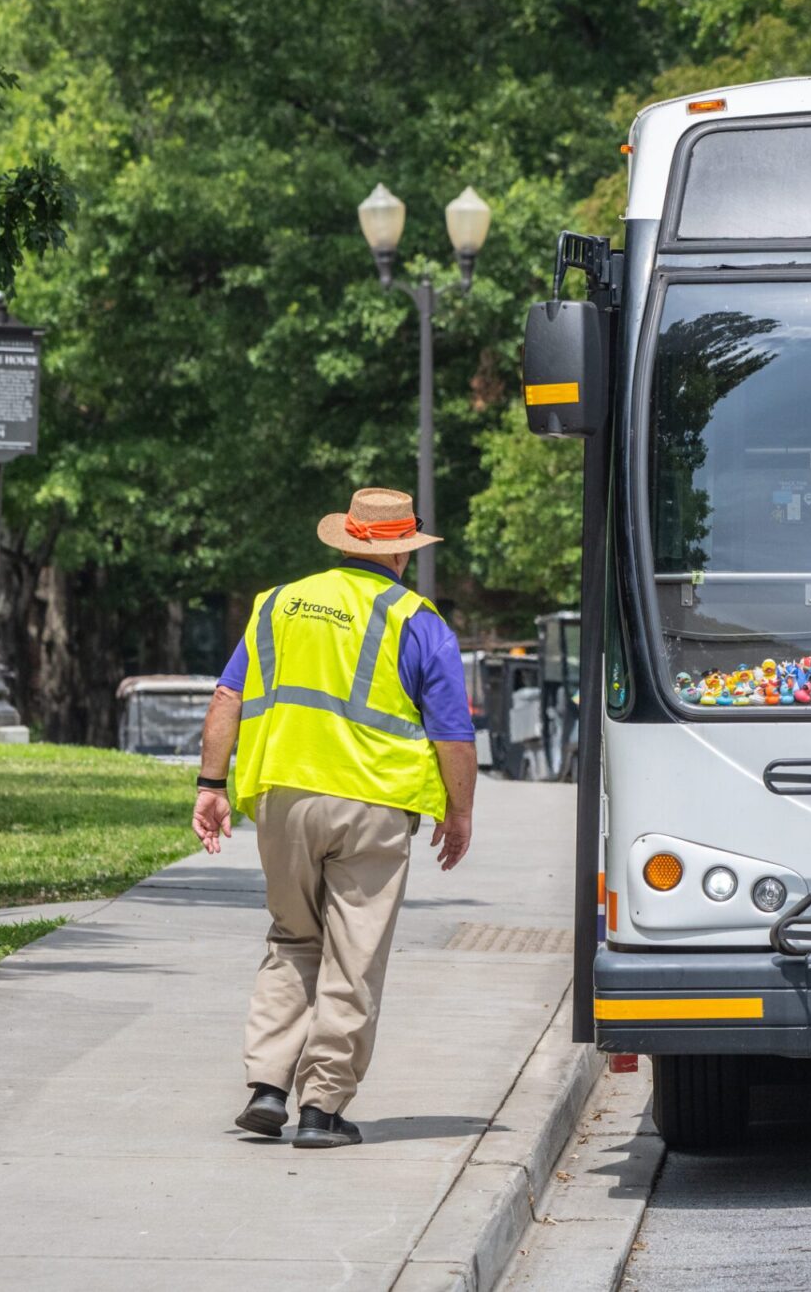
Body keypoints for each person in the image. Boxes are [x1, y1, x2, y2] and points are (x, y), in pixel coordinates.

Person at [192, 487, 476, 1149]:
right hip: (373, 805)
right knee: (355, 955)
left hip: (284, 799)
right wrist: (458, 811)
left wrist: (211, 782)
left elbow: (227, 696)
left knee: (292, 938)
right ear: (402, 552)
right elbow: (453, 736)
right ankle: (320, 1106)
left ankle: (266, 1087)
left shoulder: (276, 604)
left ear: (346, 540)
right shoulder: (418, 620)